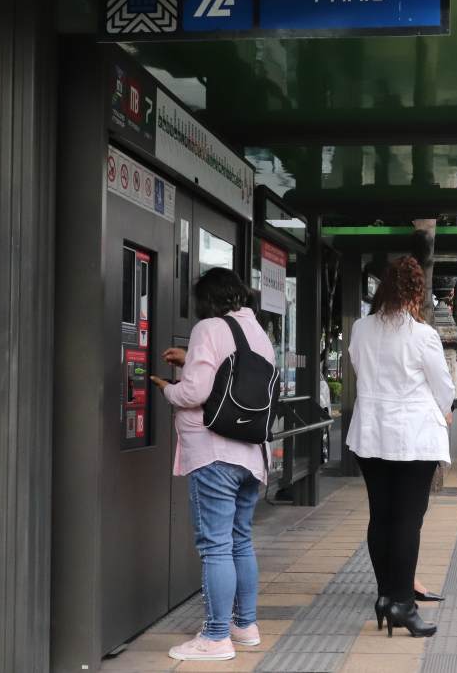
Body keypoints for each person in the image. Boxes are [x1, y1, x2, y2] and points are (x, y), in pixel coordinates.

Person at [149, 267, 272, 663]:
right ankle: (245, 626)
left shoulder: (209, 327)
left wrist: (168, 389)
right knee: (239, 540)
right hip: (252, 454)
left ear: (207, 300)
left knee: (215, 545)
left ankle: (216, 636)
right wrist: (191, 360)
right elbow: (229, 373)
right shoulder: (258, 332)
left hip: (215, 451)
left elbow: (197, 391)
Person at [347, 256, 454, 638]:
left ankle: (385, 596)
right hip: (412, 438)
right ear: (416, 292)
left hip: (370, 433)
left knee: (382, 516)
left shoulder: (360, 329)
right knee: (408, 520)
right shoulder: (422, 335)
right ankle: (403, 606)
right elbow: (443, 386)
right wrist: (445, 410)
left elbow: (361, 371)